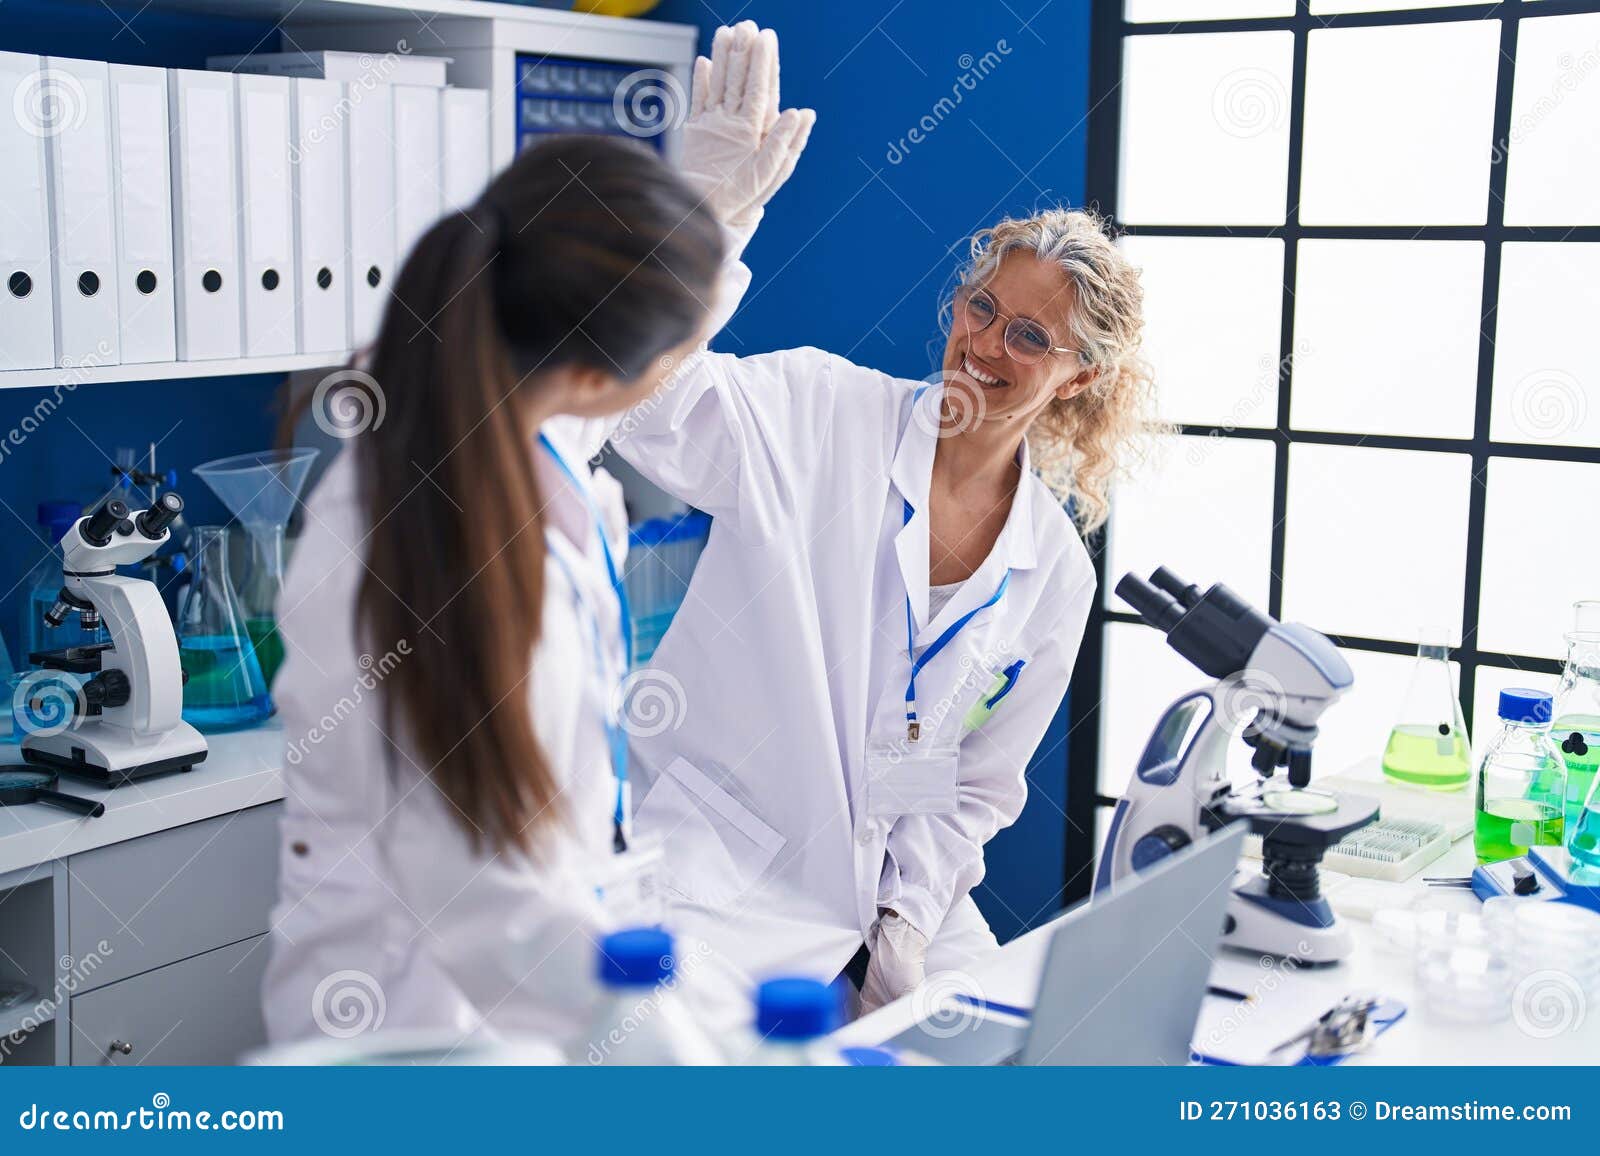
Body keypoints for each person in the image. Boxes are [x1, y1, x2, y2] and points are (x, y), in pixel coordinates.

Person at [609, 23, 1158, 1012]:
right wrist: (702, 225)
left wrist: (901, 927)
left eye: (1029, 335)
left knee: (993, 1060)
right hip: (719, 872)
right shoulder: (819, 413)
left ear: (1078, 380)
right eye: (980, 306)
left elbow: (966, 784)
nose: (983, 344)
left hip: (900, 892)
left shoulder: (1050, 574)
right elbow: (640, 403)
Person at [260, 135, 734, 1045]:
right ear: (597, 377)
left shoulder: (512, 439)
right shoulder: (414, 549)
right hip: (411, 1039)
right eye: (670, 353)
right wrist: (684, 1058)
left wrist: (710, 221)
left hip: (517, 1002)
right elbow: (488, 904)